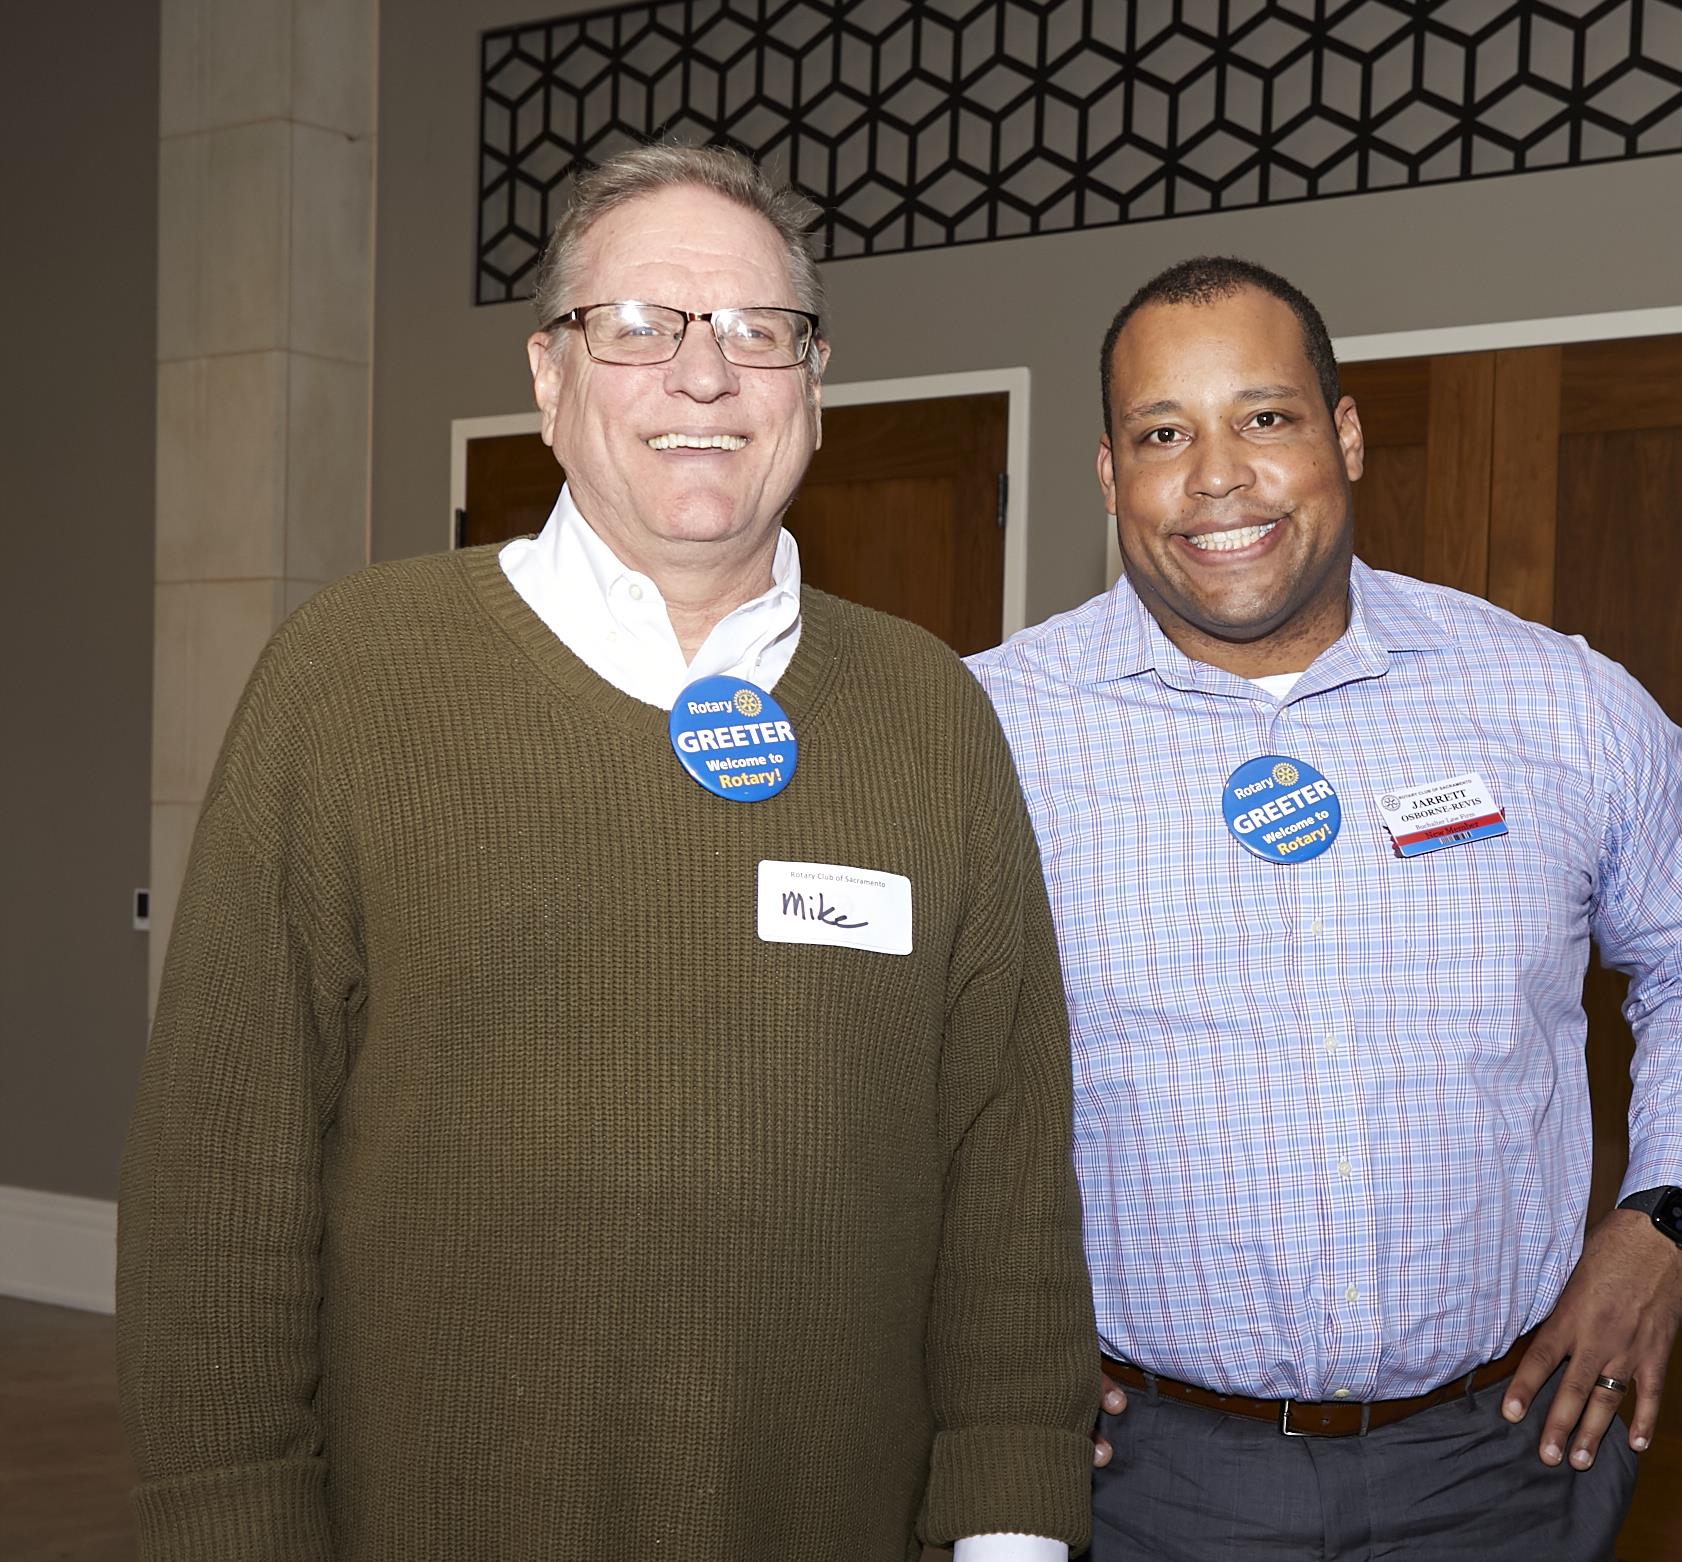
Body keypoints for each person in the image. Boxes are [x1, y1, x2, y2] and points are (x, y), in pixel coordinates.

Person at [117, 145, 1096, 1562]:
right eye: (636, 326)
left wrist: (1012, 1529)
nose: (704, 376)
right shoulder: (349, 680)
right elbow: (223, 1185)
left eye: (760, 332)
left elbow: (1007, 1180)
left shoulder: (931, 714)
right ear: (549, 377)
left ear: (809, 387)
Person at [967, 256, 1682, 1560]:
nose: (1216, 475)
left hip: (1495, 1458)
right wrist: (971, 1352)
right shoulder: (988, 731)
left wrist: (1665, 1219)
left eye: (1265, 416)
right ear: (1108, 474)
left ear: (1343, 435)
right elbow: (867, 1056)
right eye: (1163, 433)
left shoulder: (1553, 702)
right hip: (1147, 1472)